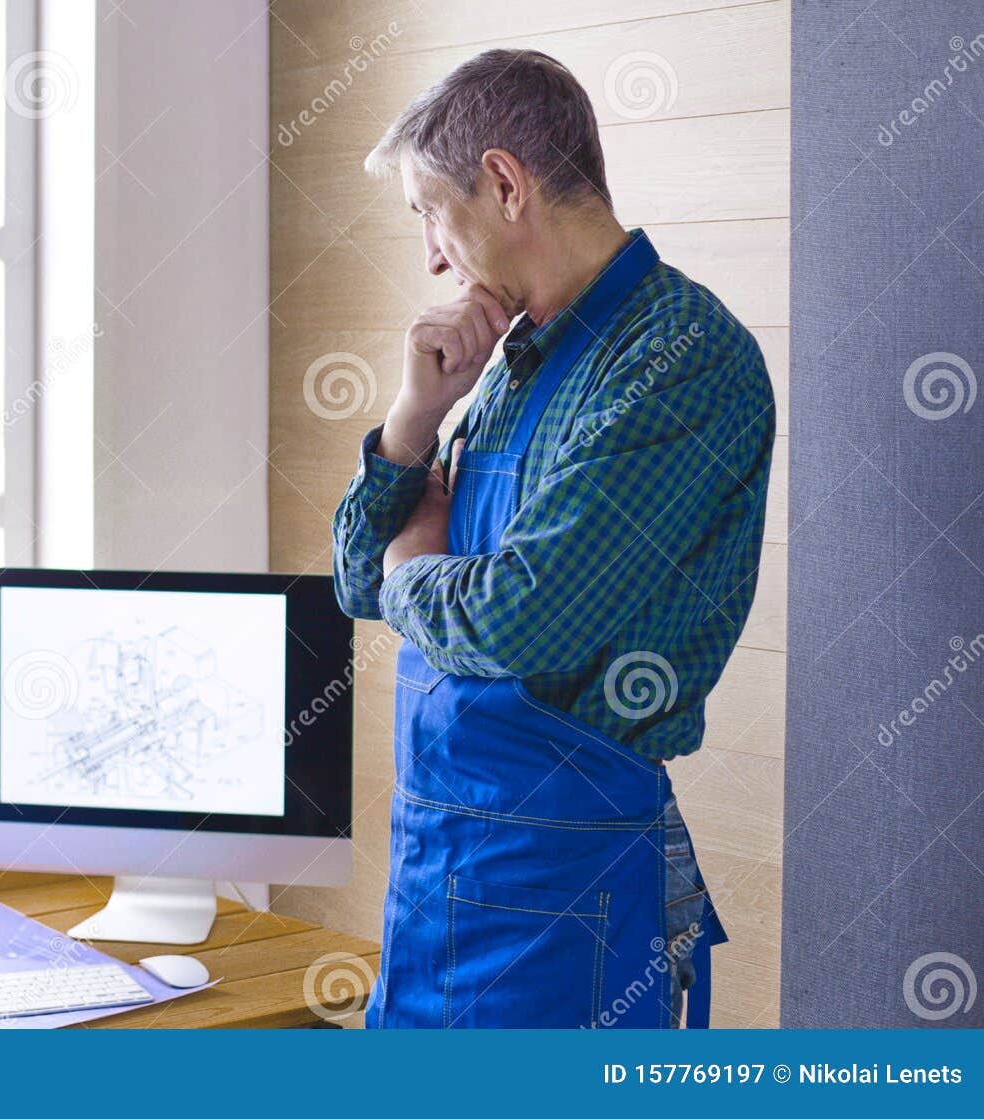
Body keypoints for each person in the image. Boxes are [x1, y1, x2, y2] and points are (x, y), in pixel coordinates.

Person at [332, 48, 775, 1028]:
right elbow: (357, 580)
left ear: (501, 184)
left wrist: (415, 564)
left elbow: (516, 623)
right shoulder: (507, 360)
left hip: (563, 913)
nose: (432, 258)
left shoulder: (680, 366)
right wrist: (411, 424)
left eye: (428, 213)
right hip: (432, 885)